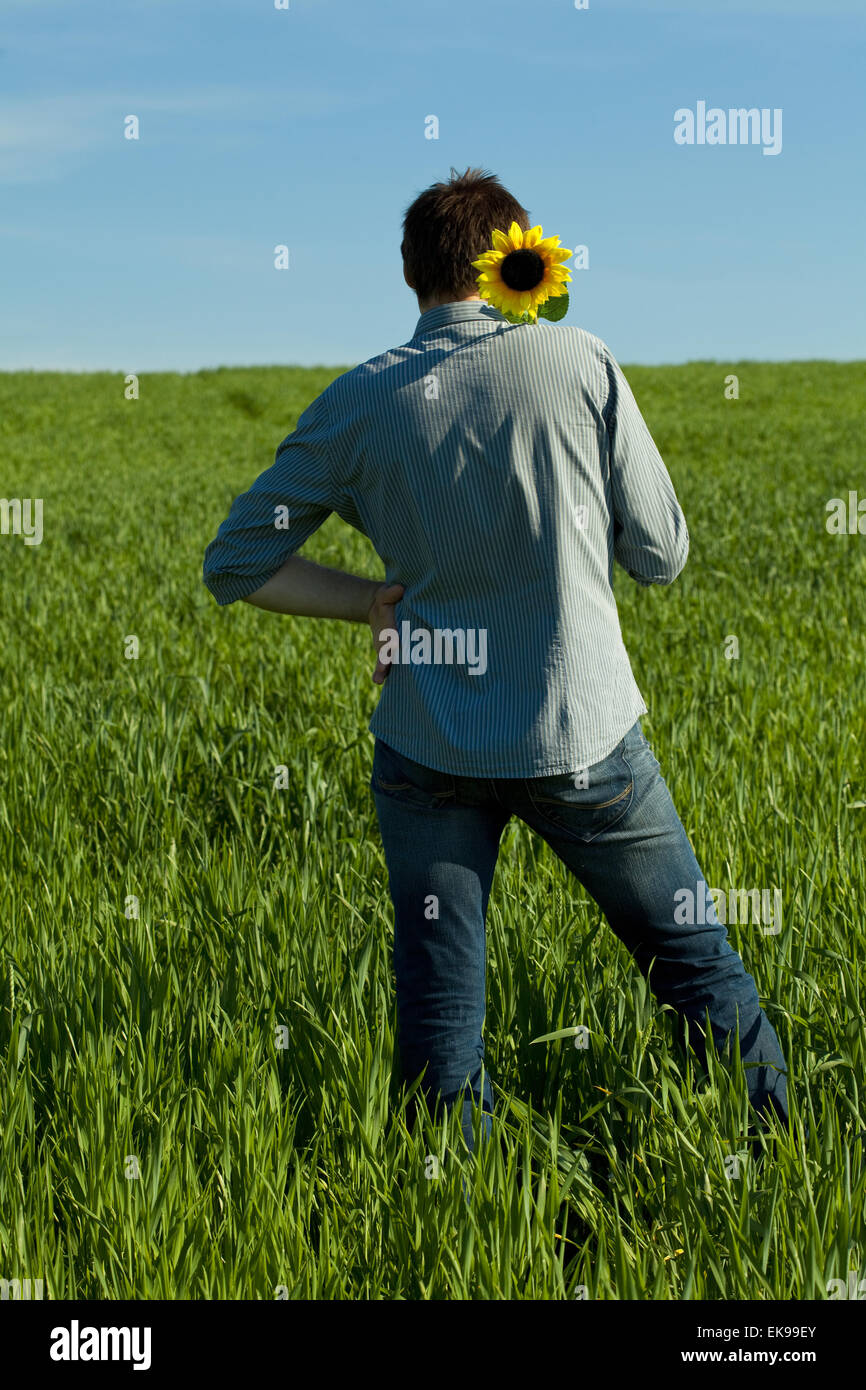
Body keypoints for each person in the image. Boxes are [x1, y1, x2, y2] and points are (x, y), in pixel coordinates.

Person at [202, 165, 790, 1158]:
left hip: (427, 749)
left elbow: (234, 562)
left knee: (440, 1028)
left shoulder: (357, 401)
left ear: (410, 275)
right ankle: (783, 1163)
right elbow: (661, 555)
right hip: (582, 740)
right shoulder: (577, 360)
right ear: (512, 259)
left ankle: (457, 1221)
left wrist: (368, 602)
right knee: (694, 966)